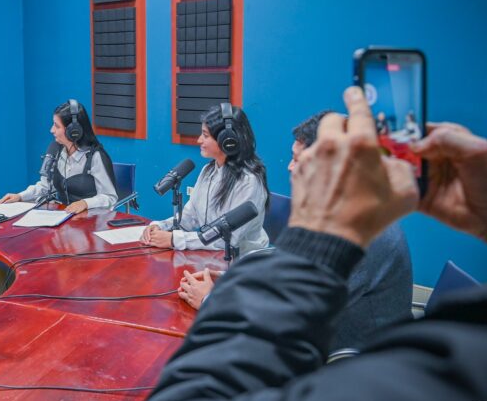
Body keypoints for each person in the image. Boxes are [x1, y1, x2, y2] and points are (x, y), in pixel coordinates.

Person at [104, 87, 487, 401]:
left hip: (338, 361)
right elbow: (285, 268)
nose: (293, 170)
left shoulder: (372, 242)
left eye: (303, 162)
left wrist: (226, 300)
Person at [177, 110, 413, 354]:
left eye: (300, 160)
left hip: (355, 363)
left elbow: (290, 320)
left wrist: (212, 302)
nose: (290, 167)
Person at [142, 103, 269, 255]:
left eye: (205, 135)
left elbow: (228, 239)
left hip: (240, 262)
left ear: (228, 140)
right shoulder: (208, 171)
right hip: (210, 256)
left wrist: (174, 239)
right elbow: (190, 216)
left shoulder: (249, 181)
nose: (199, 140)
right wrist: (161, 227)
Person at [0, 99, 118, 214]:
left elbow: (110, 198)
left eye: (57, 126)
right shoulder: (56, 149)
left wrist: (86, 203)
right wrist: (20, 196)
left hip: (91, 221)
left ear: (73, 130)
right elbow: (46, 186)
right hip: (64, 219)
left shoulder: (95, 156)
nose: (51, 130)